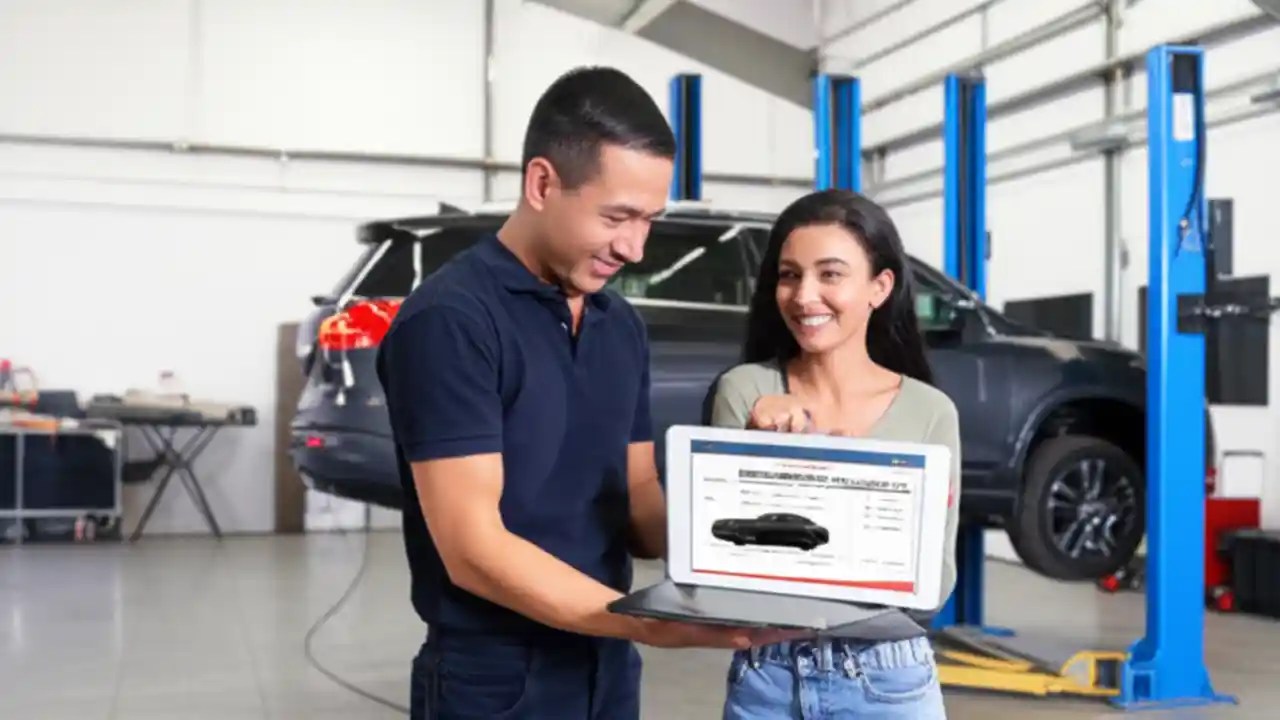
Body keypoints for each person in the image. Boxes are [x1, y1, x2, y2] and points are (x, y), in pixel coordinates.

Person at [376, 66, 778, 720]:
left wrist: (747, 514)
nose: (636, 247)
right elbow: (474, 550)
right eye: (617, 216)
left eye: (650, 219)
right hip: (497, 679)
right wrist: (643, 624)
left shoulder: (620, 327)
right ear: (542, 183)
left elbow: (638, 502)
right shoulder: (451, 322)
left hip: (608, 667)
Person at [707, 189, 961, 719]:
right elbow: (720, 574)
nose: (803, 296)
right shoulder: (745, 392)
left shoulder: (929, 412)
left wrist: (832, 484)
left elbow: (930, 587)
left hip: (888, 679)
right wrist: (761, 453)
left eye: (830, 274)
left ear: (879, 286)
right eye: (789, 274)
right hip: (767, 679)